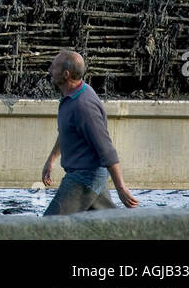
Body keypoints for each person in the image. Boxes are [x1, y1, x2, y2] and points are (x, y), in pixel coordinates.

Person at [41, 49, 139, 215]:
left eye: (54, 67)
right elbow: (68, 131)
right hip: (89, 176)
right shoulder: (71, 97)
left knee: (50, 226)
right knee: (107, 228)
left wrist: (121, 188)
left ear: (66, 74)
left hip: (84, 177)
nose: (50, 70)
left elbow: (106, 149)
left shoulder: (84, 105)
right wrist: (51, 159)